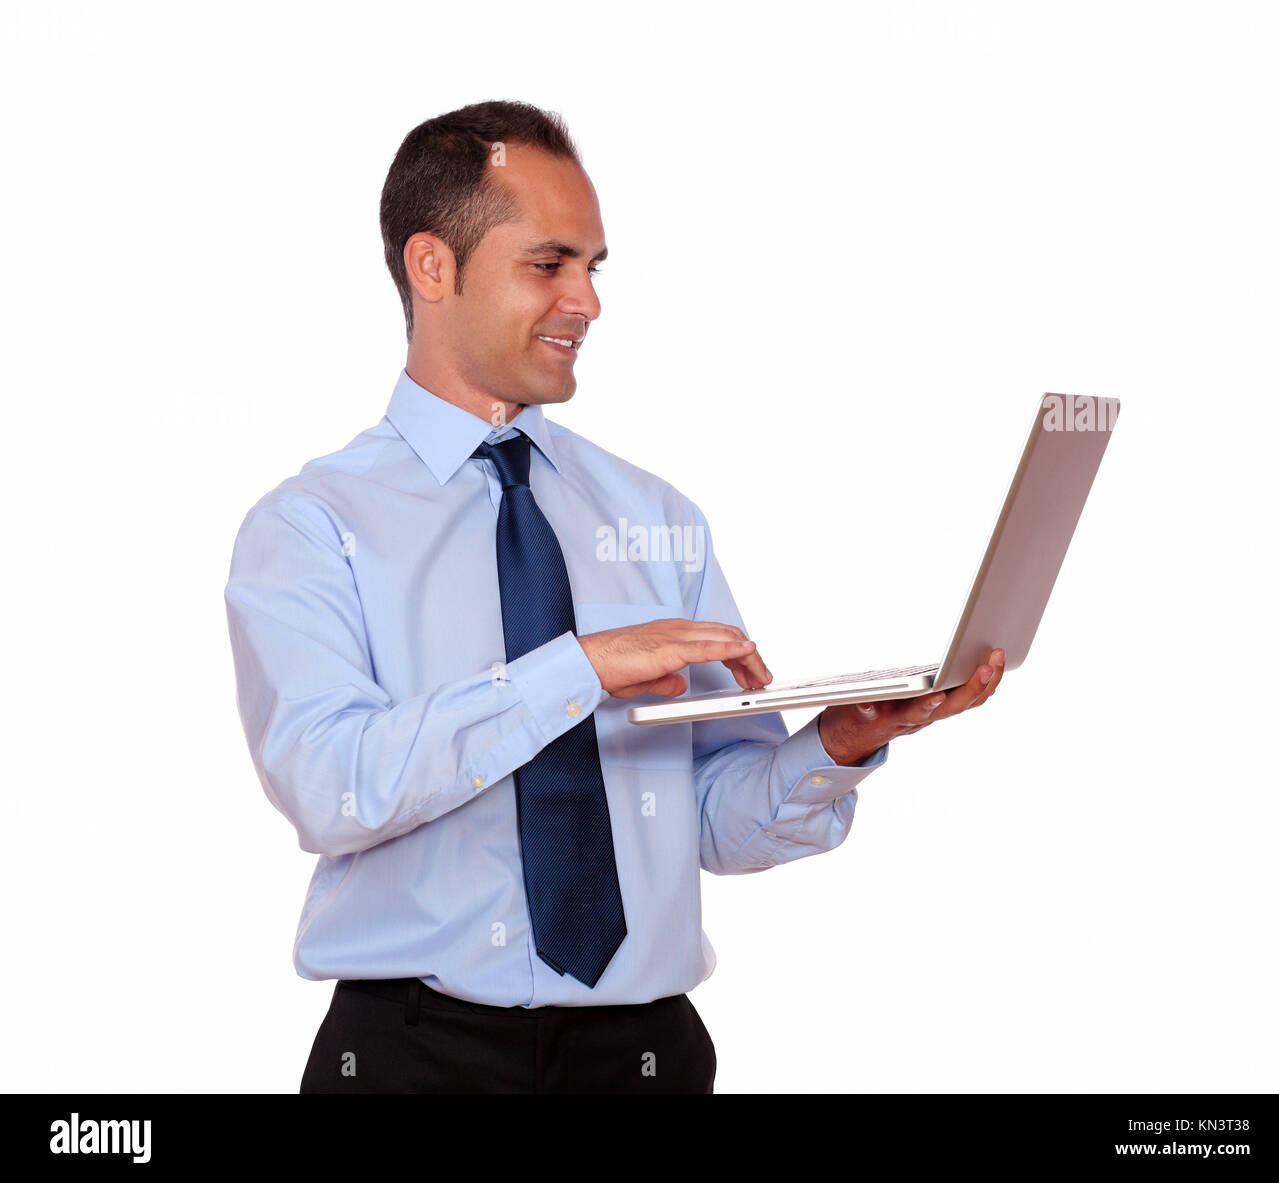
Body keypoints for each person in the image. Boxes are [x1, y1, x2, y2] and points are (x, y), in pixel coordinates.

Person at [223, 100, 1005, 1095]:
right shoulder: (313, 524)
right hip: (416, 1060)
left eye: (592, 268)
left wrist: (834, 744)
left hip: (643, 1059)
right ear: (432, 267)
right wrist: (577, 667)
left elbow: (710, 821)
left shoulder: (652, 513)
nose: (584, 302)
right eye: (548, 265)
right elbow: (330, 784)